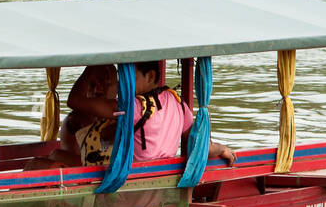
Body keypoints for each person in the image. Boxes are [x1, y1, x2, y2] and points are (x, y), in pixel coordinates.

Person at [68, 60, 236, 165]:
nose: (121, 83)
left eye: (128, 76)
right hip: (163, 184)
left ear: (150, 76)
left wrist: (92, 63)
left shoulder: (133, 107)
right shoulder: (179, 104)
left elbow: (74, 101)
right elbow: (200, 147)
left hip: (133, 187)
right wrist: (221, 149)